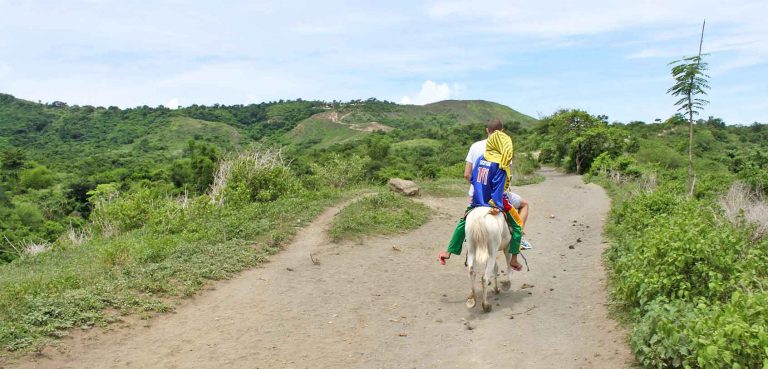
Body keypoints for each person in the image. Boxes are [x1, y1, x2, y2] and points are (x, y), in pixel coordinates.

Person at [438, 129, 524, 271]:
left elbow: (472, 178)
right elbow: (498, 187)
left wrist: (479, 193)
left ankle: (448, 251)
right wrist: (496, 205)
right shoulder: (501, 164)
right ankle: (514, 259)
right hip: (493, 202)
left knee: (463, 222)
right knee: (517, 226)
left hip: (477, 201)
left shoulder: (480, 158)